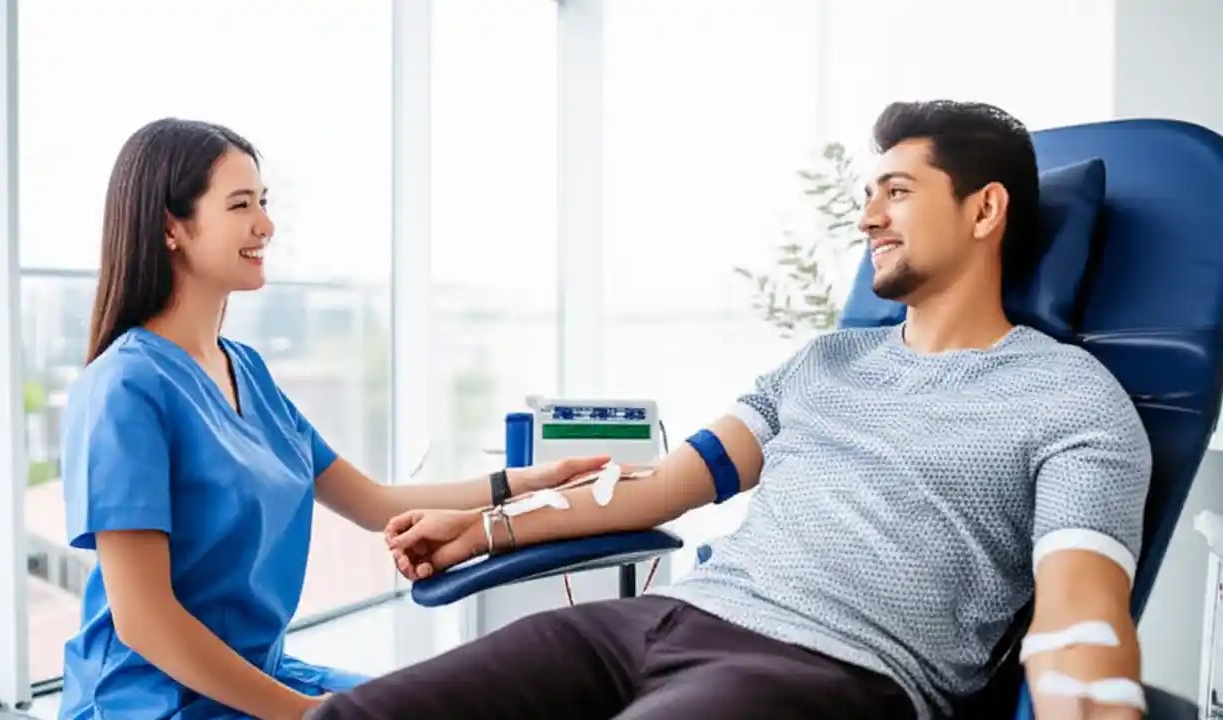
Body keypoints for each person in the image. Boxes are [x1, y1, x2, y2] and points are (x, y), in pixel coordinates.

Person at [308, 100, 1153, 720]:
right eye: (869, 194)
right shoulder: (824, 361)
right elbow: (661, 487)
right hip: (661, 623)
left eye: (895, 191)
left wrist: (1093, 700)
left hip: (835, 673)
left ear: (985, 209)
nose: (866, 218)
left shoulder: (1071, 398)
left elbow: (1081, 609)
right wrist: (486, 527)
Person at [58, 118, 610, 720]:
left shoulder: (245, 370)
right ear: (171, 226)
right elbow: (144, 622)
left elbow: (374, 502)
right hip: (151, 702)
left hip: (259, 680)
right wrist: (304, 714)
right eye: (240, 205)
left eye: (263, 202)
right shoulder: (125, 388)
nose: (265, 224)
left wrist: (519, 486)